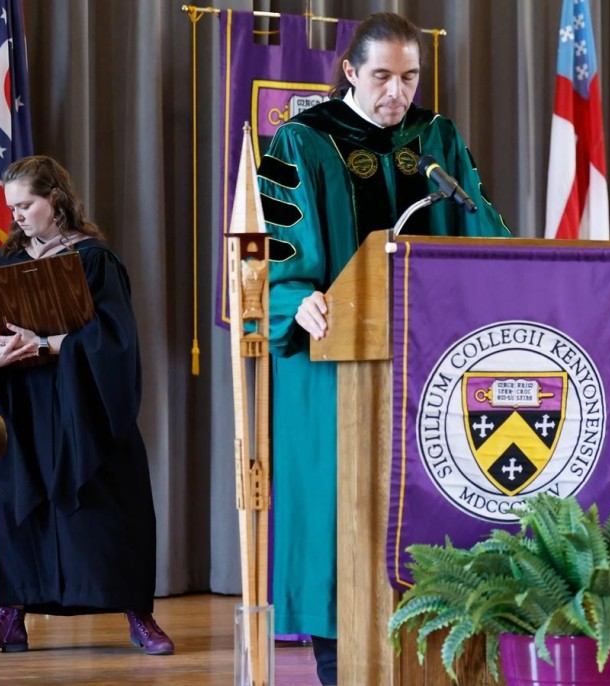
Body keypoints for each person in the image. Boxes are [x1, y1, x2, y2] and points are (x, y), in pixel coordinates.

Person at [255, 12, 509, 685]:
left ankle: (442, 648)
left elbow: (482, 230)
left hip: (432, 360)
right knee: (334, 505)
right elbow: (276, 250)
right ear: (349, 71)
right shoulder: (301, 141)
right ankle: (337, 659)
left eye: (410, 77)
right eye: (382, 77)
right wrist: (295, 296)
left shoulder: (436, 138)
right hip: (330, 358)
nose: (397, 92)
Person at [0, 155, 173, 655]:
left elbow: (115, 341)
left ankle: (138, 614)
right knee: (18, 504)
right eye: (11, 207)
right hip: (23, 406)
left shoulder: (94, 260)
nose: (16, 216)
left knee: (113, 507)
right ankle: (9, 614)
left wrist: (49, 343)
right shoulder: (3, 263)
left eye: (25, 205)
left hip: (86, 403)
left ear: (55, 200)